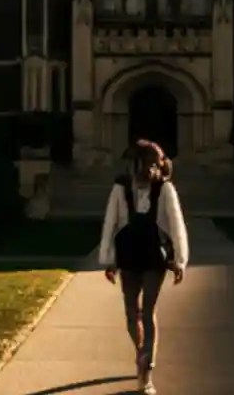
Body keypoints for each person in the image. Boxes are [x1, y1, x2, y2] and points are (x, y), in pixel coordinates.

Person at [97, 139, 188, 395]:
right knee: (130, 311)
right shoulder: (120, 188)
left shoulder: (164, 189)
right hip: (128, 255)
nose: (138, 169)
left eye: (144, 163)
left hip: (153, 256)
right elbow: (111, 222)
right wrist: (109, 259)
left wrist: (179, 259)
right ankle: (141, 353)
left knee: (148, 311)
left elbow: (176, 224)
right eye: (135, 163)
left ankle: (146, 371)